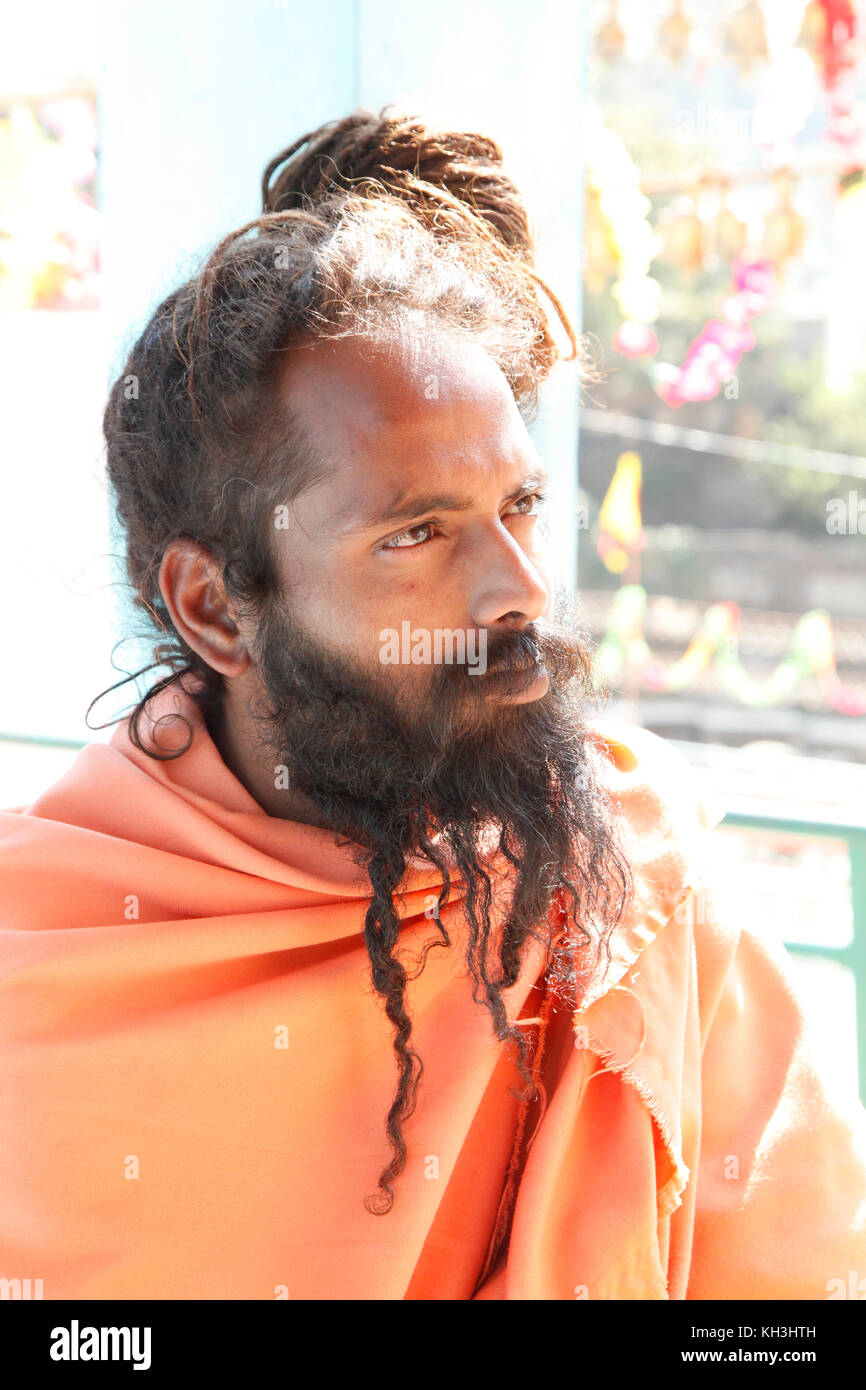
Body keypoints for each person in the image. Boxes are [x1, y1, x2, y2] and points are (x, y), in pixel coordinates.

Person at [1, 108, 864, 1301]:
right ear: (214, 608)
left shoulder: (642, 894)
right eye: (417, 532)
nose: (518, 592)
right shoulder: (39, 957)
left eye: (518, 508)